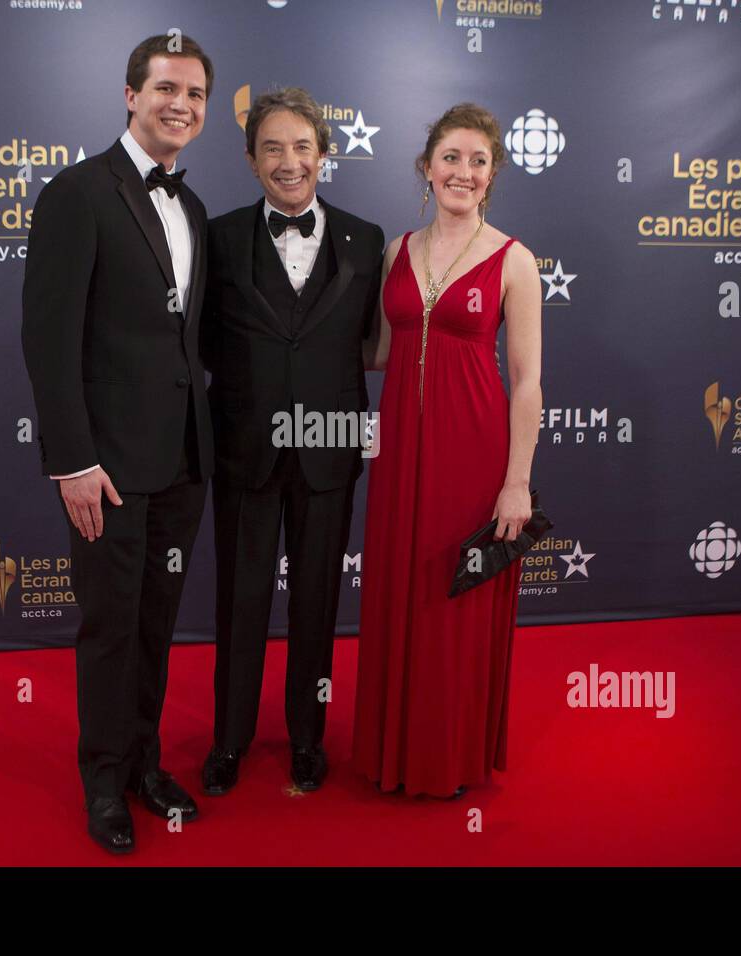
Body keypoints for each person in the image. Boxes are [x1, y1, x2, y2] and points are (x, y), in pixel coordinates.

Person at [20, 34, 214, 854]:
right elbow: (48, 338)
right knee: (109, 626)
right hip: (104, 467)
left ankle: (142, 761)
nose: (182, 105)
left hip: (180, 463)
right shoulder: (77, 192)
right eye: (167, 87)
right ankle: (101, 782)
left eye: (197, 94)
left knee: (156, 622)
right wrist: (72, 459)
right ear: (130, 95)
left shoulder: (194, 207)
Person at [352, 103, 543, 799]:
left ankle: (447, 756)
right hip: (401, 450)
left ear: (492, 177)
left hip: (474, 453)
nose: (463, 172)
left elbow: (527, 383)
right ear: (426, 168)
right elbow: (377, 350)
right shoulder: (395, 252)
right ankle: (392, 749)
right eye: (451, 158)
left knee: (454, 600)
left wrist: (516, 483)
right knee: (403, 591)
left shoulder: (515, 259)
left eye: (478, 161)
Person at [199, 88, 384, 796]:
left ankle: (309, 736)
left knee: (317, 603)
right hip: (246, 446)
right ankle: (229, 740)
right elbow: (207, 343)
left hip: (331, 448)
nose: (289, 161)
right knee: (240, 603)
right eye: (272, 148)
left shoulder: (366, 240)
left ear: (323, 155)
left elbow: (367, 338)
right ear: (250, 160)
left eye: (302, 146)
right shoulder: (216, 238)